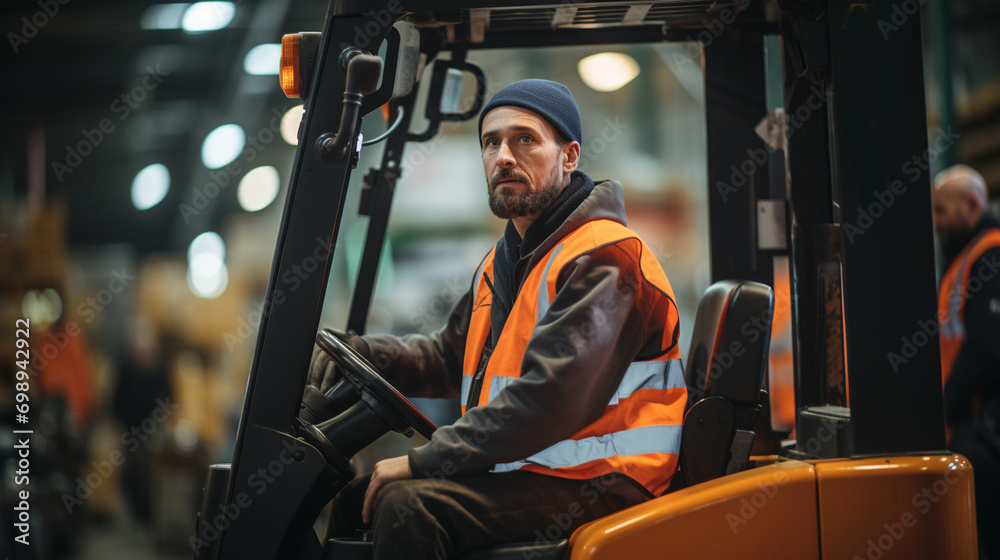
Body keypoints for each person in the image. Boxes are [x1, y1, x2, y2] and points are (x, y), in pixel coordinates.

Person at [309, 79, 685, 559]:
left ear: (569, 157)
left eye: (524, 139)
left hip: (606, 481)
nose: (504, 156)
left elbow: (553, 398)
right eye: (491, 142)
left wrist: (427, 460)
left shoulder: (607, 258)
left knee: (408, 506)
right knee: (355, 497)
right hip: (533, 473)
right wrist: (362, 354)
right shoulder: (503, 262)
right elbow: (449, 359)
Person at [932, 163, 1000, 559]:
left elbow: (988, 348)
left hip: (984, 426)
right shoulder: (964, 260)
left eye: (942, 211)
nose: (937, 221)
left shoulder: (989, 255)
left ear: (972, 204)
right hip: (970, 422)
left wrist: (945, 407)